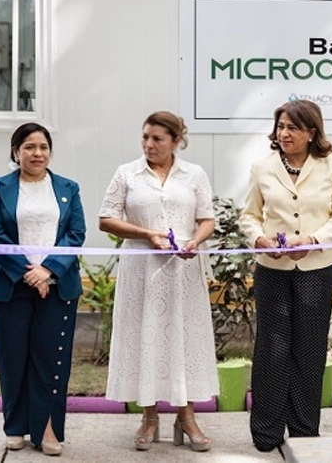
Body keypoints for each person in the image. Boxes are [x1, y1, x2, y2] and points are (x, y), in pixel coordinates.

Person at [99, 111, 218, 452]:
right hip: (141, 271)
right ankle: (148, 417)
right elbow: (106, 219)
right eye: (145, 137)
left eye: (157, 139)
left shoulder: (194, 174)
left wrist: (194, 241)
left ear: (176, 141)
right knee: (144, 337)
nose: (149, 145)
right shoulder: (127, 173)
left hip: (183, 271)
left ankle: (187, 416)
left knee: (184, 337)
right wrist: (147, 234)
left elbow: (207, 219)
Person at [240, 100, 332, 453]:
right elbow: (249, 215)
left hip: (316, 269)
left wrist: (313, 240)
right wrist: (259, 239)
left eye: (292, 127)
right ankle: (266, 431)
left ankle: (305, 428)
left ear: (311, 132)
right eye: (280, 127)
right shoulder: (263, 166)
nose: (284, 133)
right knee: (272, 350)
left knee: (308, 349)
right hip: (272, 269)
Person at [0, 122, 86, 457]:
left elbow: (76, 233)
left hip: (57, 286)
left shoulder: (68, 187)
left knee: (50, 359)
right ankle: (15, 426)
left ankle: (47, 429)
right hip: (10, 286)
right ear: (16, 152)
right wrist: (29, 274)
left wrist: (48, 270)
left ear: (50, 152)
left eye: (43, 147)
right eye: (29, 147)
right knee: (12, 359)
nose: (37, 153)